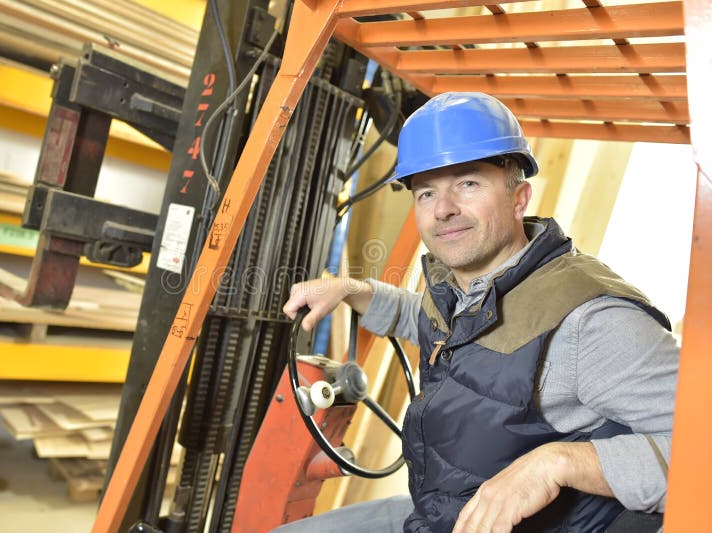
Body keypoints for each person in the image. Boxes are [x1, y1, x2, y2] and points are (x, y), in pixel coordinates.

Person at [279, 92, 678, 532]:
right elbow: (439, 326)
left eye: (468, 183)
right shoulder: (461, 284)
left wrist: (558, 462)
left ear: (518, 198)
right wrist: (352, 290)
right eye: (427, 192)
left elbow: (701, 450)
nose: (444, 209)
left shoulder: (591, 321)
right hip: (445, 512)